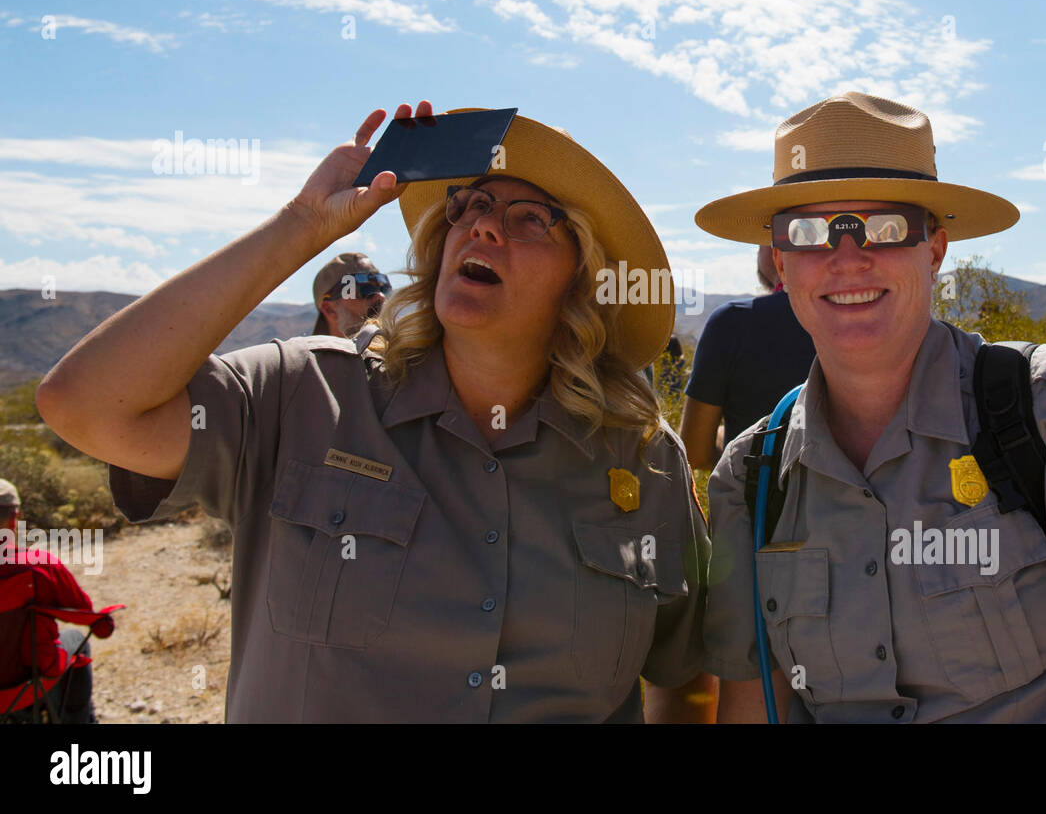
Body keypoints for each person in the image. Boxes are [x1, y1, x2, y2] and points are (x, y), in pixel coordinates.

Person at [36, 101, 714, 723]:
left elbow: (685, 674)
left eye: (529, 218)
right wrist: (302, 225)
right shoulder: (301, 394)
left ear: (584, 277)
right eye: (470, 205)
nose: (480, 224)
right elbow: (87, 405)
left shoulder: (642, 459)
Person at [693, 92, 1046, 723]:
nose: (847, 257)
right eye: (810, 233)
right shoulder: (754, 477)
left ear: (934, 249)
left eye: (886, 226)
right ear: (781, 263)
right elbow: (753, 710)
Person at [679, 246, 816, 473]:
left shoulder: (733, 323)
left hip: (754, 505)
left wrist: (737, 442)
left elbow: (694, 453)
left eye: (761, 240)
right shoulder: (865, 320)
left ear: (778, 255)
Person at [0, 479, 112, 723]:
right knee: (76, 640)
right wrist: (104, 624)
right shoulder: (39, 565)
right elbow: (85, 614)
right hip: (27, 686)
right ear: (14, 519)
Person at [312, 252, 391, 338]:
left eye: (383, 288)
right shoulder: (301, 350)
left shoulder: (398, 350)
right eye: (366, 289)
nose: (381, 297)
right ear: (329, 309)